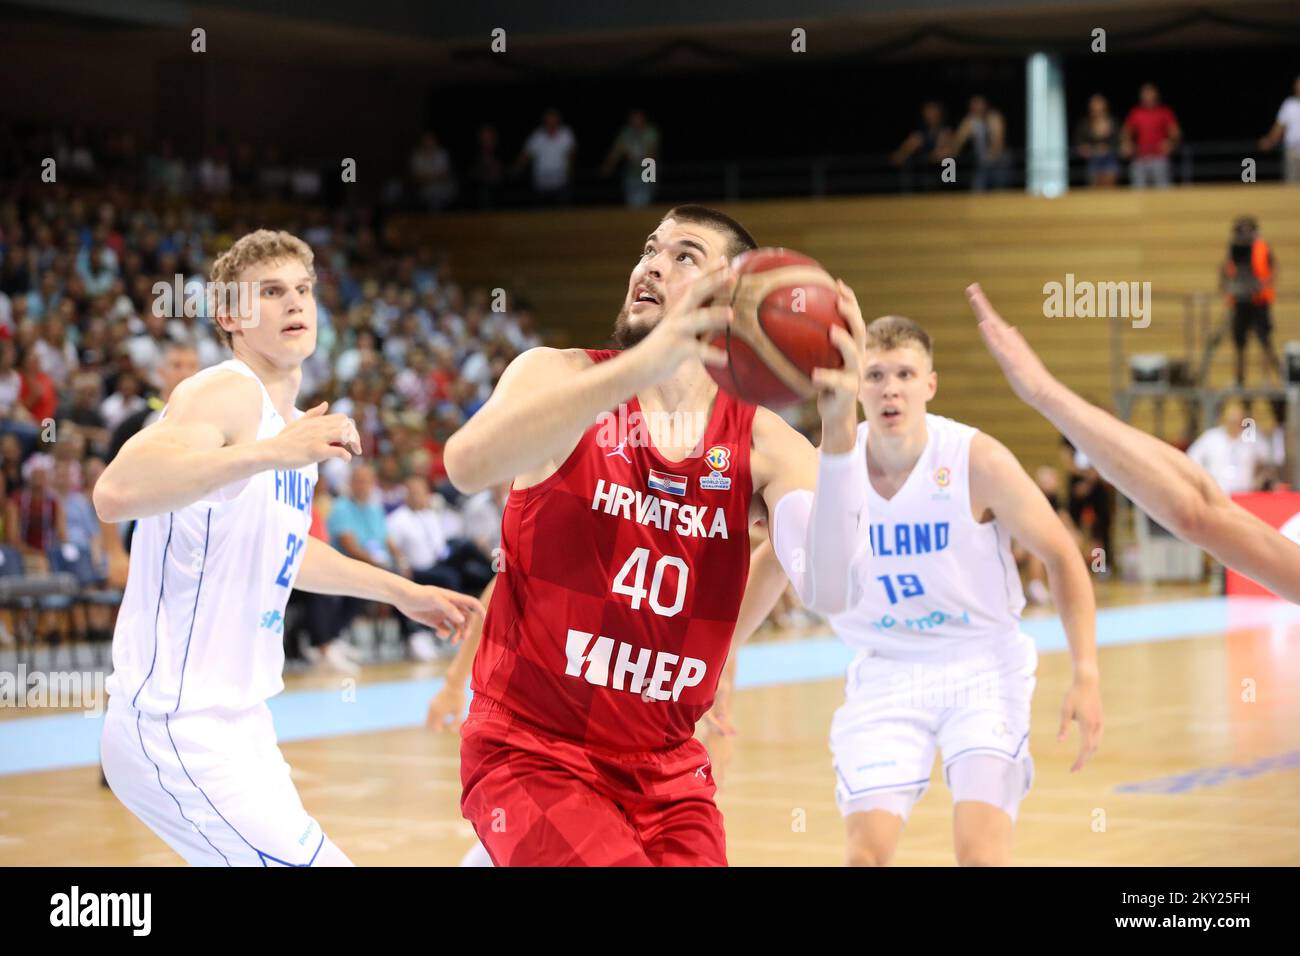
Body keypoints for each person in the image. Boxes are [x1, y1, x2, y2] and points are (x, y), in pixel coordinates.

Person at [443, 204, 869, 866]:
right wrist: (640, 370)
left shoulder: (763, 442)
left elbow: (834, 588)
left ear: (734, 297)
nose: (651, 264)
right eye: (650, 249)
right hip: (531, 751)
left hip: (666, 770)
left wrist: (839, 436)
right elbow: (466, 465)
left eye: (684, 256)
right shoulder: (560, 376)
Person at [94, 230, 482, 867]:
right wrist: (275, 452)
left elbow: (287, 550)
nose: (294, 303)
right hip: (176, 726)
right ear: (230, 317)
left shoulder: (291, 431)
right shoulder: (225, 392)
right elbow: (115, 492)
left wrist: (401, 592)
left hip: (242, 724)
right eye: (270, 292)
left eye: (302, 289)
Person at [967, 283, 1300, 603]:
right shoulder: (1212, 442)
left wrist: (1047, 394)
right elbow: (1196, 508)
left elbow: (1197, 512)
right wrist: (1046, 394)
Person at [1220, 216, 1279, 386]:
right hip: (1240, 300)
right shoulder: (1233, 249)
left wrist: (1262, 284)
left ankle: (1266, 378)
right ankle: (1240, 378)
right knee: (1239, 342)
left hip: (1259, 300)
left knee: (1265, 339)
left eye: (1248, 230)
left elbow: (1273, 270)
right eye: (1240, 231)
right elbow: (1224, 272)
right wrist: (1229, 287)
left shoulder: (1262, 247)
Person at [1121, 83, 1181, 189]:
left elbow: (1176, 132)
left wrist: (1171, 143)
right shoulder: (1136, 113)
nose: (1147, 96)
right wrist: (1127, 143)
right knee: (1138, 192)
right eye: (1145, 94)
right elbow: (1126, 132)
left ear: (1156, 95)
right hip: (1140, 158)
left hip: (1159, 157)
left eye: (1150, 93)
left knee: (1163, 192)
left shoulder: (1164, 112)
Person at [513, 109, 576, 205]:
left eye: (554, 119)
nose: (551, 122)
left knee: (563, 215)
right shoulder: (537, 136)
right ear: (544, 121)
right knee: (539, 215)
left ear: (558, 120)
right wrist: (516, 169)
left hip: (561, 183)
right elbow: (525, 156)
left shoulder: (565, 134)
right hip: (541, 185)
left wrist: (570, 171)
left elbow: (571, 154)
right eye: (549, 119)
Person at [946, 95, 1010, 191]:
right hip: (982, 164)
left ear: (986, 105)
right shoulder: (969, 121)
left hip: (1000, 162)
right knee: (977, 189)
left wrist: (991, 156)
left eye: (980, 104)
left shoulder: (994, 117)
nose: (978, 107)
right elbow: (957, 143)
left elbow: (998, 144)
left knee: (1000, 191)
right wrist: (948, 153)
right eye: (974, 105)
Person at [600, 109, 661, 207]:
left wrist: (635, 157)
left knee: (646, 198)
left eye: (638, 118)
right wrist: (608, 165)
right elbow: (617, 150)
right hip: (631, 171)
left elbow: (651, 154)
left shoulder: (650, 131)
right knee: (632, 201)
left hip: (649, 168)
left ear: (643, 119)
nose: (636, 121)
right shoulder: (626, 133)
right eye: (633, 119)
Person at [890, 101, 952, 192]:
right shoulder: (918, 136)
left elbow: (948, 154)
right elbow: (896, 159)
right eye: (928, 113)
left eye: (934, 112)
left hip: (941, 178)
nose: (931, 116)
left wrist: (937, 153)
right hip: (921, 177)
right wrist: (906, 152)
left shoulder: (946, 133)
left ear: (940, 114)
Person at [1257, 74, 1300, 184]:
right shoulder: (1289, 104)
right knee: (1291, 183)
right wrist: (1270, 141)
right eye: (1298, 83)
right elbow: (1279, 127)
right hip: (1292, 150)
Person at [1075, 94, 1122, 187]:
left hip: (1110, 159)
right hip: (1093, 160)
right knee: (1094, 187)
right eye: (1095, 105)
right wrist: (1089, 149)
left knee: (1110, 183)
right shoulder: (1084, 124)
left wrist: (1107, 148)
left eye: (1099, 104)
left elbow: (1120, 142)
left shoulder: (1113, 123)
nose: (1097, 108)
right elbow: (1079, 145)